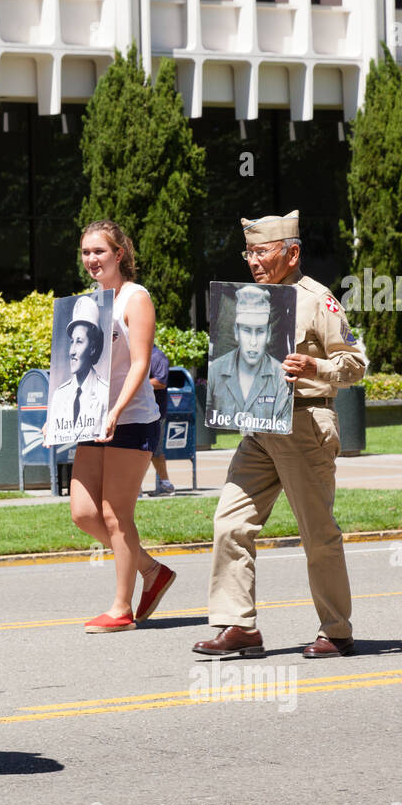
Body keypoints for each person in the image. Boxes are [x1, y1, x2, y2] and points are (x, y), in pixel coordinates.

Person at [194, 210, 367, 660]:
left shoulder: (318, 299)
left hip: (306, 425)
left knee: (316, 532)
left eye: (261, 251)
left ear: (291, 253)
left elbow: (355, 365)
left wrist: (316, 367)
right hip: (260, 427)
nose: (252, 260)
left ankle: (337, 629)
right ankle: (238, 626)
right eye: (248, 252)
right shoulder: (249, 299)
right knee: (230, 522)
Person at [67, 220, 177, 634]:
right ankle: (151, 570)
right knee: (83, 512)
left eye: (99, 251)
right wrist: (59, 417)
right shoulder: (87, 304)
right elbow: (73, 364)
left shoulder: (135, 298)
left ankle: (120, 608)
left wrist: (116, 410)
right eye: (85, 252)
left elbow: (140, 364)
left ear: (119, 254)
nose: (91, 259)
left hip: (131, 419)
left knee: (115, 515)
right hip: (91, 418)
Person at [206, 284, 293, 431]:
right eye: (246, 330)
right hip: (229, 294)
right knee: (223, 375)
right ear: (236, 331)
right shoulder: (216, 369)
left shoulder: (279, 374)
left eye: (259, 332)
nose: (253, 342)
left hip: (273, 297)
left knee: (273, 380)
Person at [47, 296, 110, 443]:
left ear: (93, 348)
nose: (72, 352)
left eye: (79, 342)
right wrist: (49, 429)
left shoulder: (104, 393)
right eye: (72, 342)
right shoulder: (59, 395)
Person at [146, 344, 175, 496]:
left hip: (155, 413)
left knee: (154, 449)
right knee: (144, 450)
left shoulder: (157, 356)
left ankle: (166, 485)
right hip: (141, 412)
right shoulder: (141, 355)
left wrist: (135, 380)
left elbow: (161, 382)